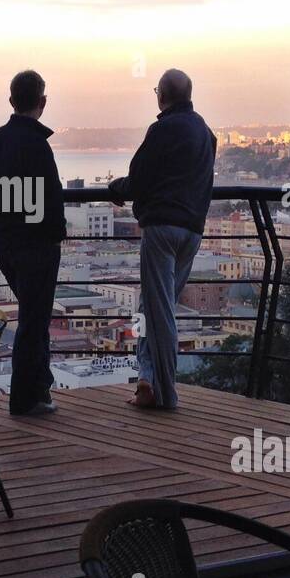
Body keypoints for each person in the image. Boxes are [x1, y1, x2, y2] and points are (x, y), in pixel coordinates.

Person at [109, 69, 216, 409]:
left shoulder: (161, 130)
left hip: (162, 229)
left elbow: (140, 179)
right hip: (192, 231)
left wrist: (117, 189)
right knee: (152, 308)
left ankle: (168, 396)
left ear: (162, 96)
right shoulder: (206, 133)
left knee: (161, 313)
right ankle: (147, 379)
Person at [0, 70, 65, 416]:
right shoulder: (37, 147)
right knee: (34, 319)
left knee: (31, 317)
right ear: (42, 102)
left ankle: (34, 391)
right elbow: (49, 200)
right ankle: (29, 396)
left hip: (5, 244)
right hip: (37, 245)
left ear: (11, 101)